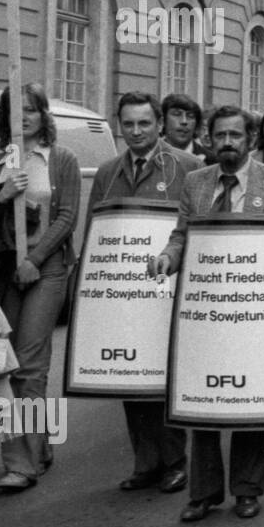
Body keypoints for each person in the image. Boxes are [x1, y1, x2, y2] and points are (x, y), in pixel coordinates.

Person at [148, 105, 264, 522]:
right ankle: (203, 493)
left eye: (236, 136)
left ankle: (247, 490)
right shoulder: (197, 182)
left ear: (250, 138)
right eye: (220, 136)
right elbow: (181, 234)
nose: (228, 143)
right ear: (209, 139)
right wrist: (167, 257)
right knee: (201, 399)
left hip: (257, 314)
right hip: (205, 314)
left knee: (251, 401)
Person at [86, 91, 202, 494]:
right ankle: (145, 463)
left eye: (144, 124)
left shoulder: (188, 167)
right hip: (121, 294)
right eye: (128, 124)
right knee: (128, 376)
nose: (136, 132)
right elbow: (95, 233)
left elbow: (198, 232)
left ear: (159, 125)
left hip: (168, 290)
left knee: (163, 377)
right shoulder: (107, 171)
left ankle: (174, 461)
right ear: (120, 125)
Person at [0, 84, 81, 493]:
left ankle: (23, 464)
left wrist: (34, 261)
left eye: (31, 110)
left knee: (32, 365)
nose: (23, 117)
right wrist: (1, 196)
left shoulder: (62, 160)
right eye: (14, 111)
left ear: (43, 116)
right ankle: (34, 446)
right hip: (5, 271)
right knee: (6, 366)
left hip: (47, 269)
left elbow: (68, 216)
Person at [160, 93, 216, 163]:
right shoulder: (149, 154)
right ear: (163, 120)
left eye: (190, 116)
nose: (184, 121)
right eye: (177, 114)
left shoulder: (211, 160)